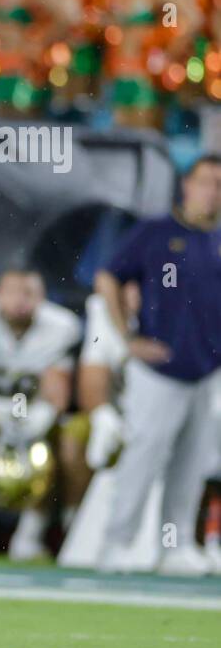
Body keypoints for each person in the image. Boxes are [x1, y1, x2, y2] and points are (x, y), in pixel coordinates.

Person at [94, 155, 221, 576]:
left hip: (208, 369)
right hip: (158, 369)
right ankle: (117, 543)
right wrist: (127, 338)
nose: (213, 192)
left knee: (193, 461)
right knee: (143, 456)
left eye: (220, 184)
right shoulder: (155, 233)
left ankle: (177, 544)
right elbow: (108, 276)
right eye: (207, 182)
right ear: (188, 185)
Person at [0, 268, 83, 562]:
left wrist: (38, 420)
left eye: (29, 294)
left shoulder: (62, 326)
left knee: (55, 442)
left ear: (42, 298)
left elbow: (57, 388)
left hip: (34, 409)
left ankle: (30, 537)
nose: (20, 301)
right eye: (12, 292)